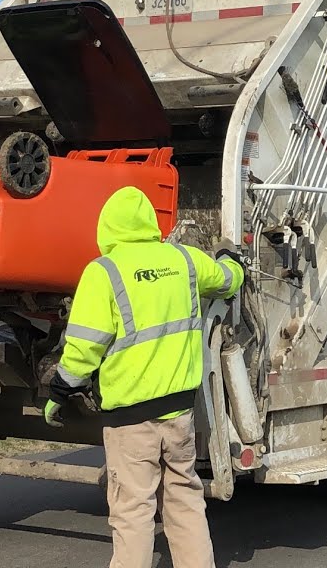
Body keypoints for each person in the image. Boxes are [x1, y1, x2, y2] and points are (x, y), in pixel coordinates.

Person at [44, 186, 243, 568]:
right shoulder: (184, 259)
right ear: (151, 223)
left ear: (107, 226)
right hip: (179, 412)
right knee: (185, 500)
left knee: (132, 510)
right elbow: (229, 280)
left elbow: (83, 347)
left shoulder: (104, 272)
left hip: (130, 420)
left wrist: (59, 392)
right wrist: (230, 258)